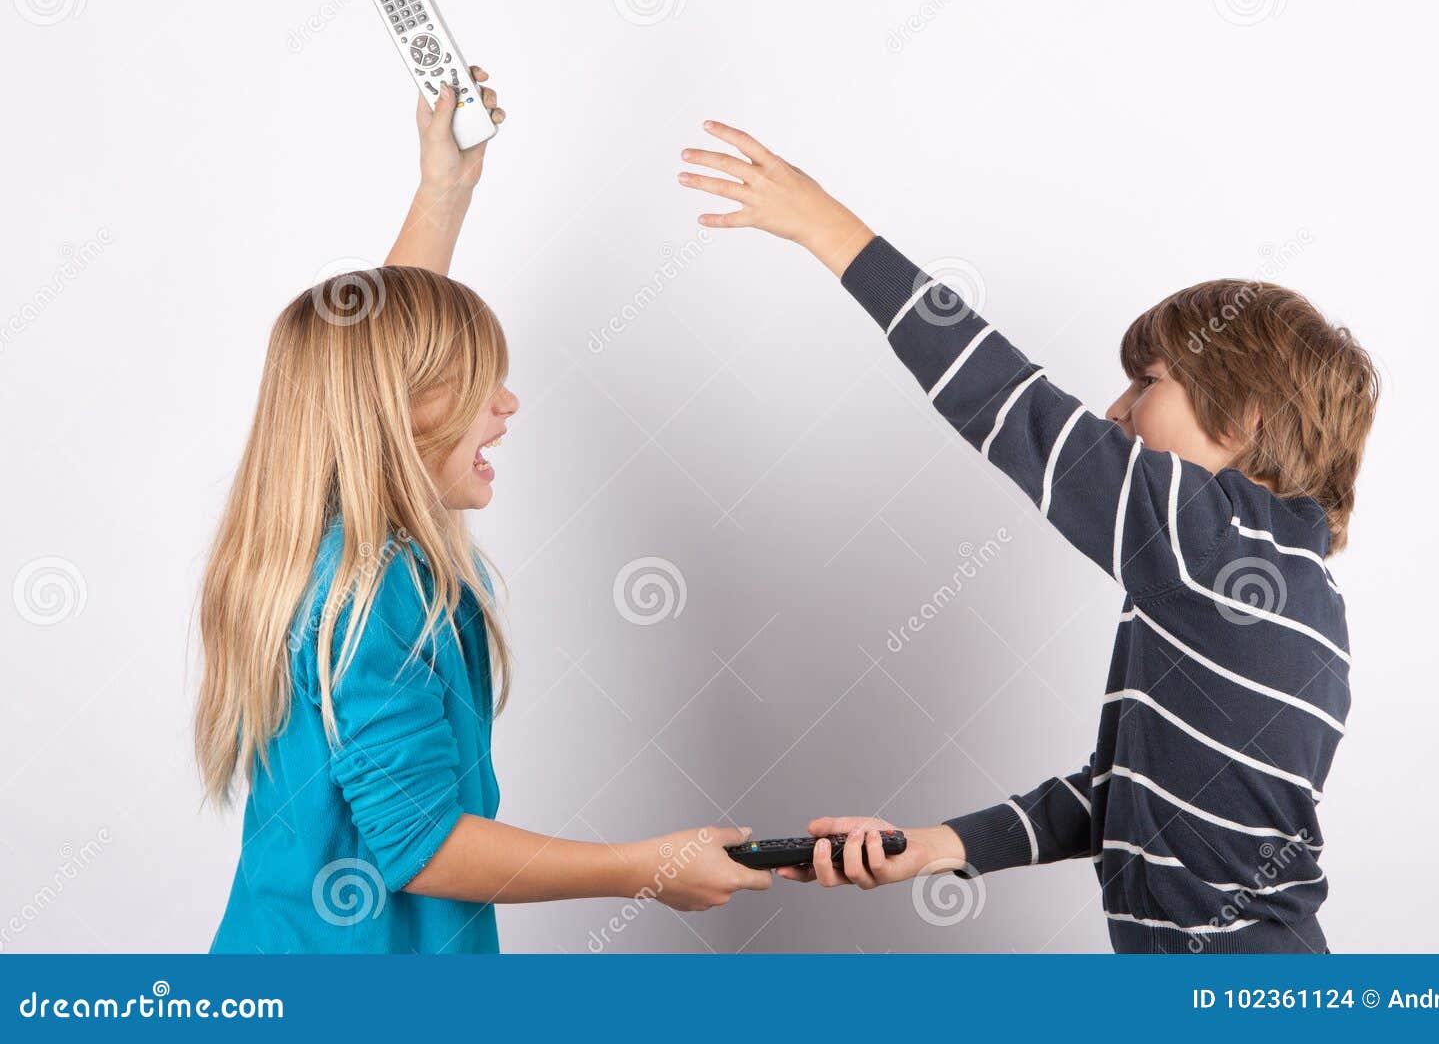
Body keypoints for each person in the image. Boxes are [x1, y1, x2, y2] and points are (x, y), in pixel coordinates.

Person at [678, 122, 1378, 953]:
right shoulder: (1264, 584)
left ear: (1247, 416)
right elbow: (1117, 795)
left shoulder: (1213, 545)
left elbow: (1011, 404)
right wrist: (932, 847)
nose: (1116, 411)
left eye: (1148, 383)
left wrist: (823, 223)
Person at [198, 80, 770, 954]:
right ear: (405, 412)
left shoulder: (315, 543)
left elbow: (365, 361)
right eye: (475, 384)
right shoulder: (375, 585)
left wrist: (444, 192)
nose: (505, 405)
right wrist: (643, 868)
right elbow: (421, 845)